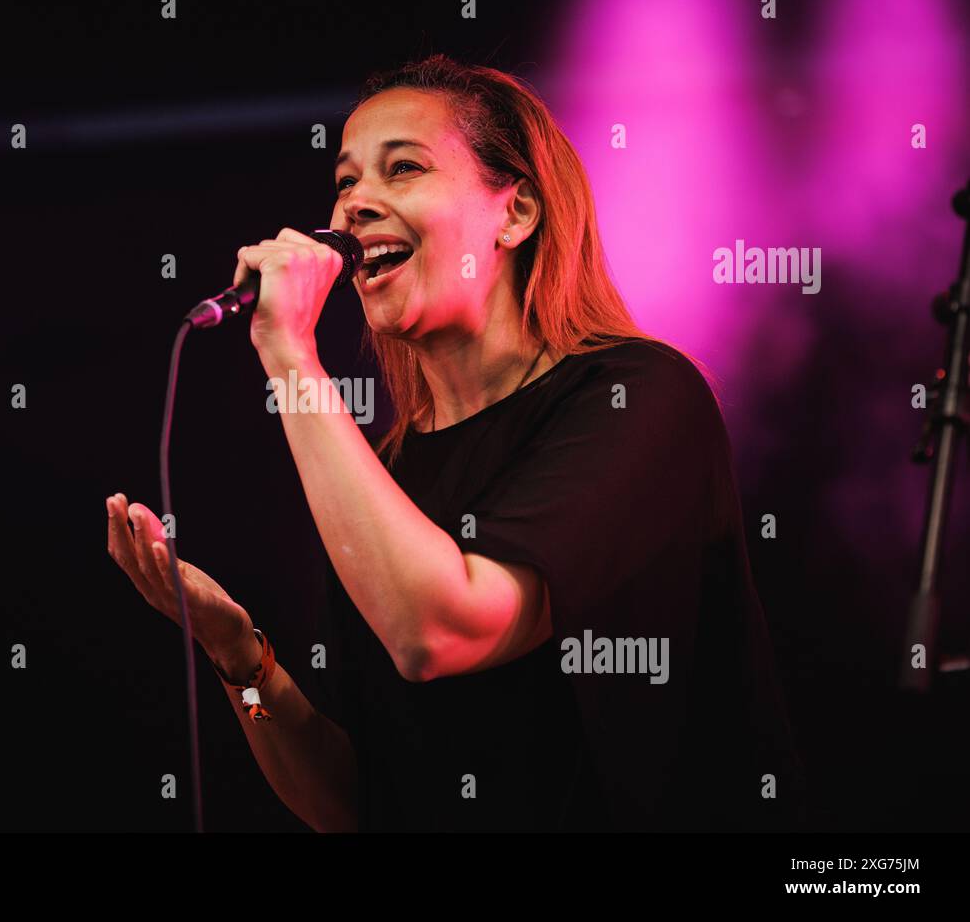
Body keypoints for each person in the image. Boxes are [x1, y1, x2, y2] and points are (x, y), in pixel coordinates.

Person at [106, 54, 807, 832]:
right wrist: (241, 657)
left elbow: (442, 629)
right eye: (344, 182)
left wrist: (292, 357)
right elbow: (355, 805)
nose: (354, 206)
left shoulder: (639, 395)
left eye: (402, 168)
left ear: (515, 214)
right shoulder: (383, 473)